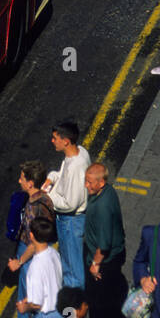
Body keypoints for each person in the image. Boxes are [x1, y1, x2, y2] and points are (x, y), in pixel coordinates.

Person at [6, 160, 56, 318]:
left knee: (26, 296)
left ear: (30, 183)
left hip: (29, 252)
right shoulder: (45, 198)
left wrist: (19, 262)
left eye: (22, 178)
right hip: (44, 248)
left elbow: (33, 244)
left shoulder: (32, 209)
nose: (19, 181)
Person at [43, 121, 89, 288]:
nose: (52, 141)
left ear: (66, 141)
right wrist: (53, 177)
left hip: (70, 222)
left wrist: (47, 197)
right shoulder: (78, 153)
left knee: (71, 270)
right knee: (70, 262)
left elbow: (70, 203)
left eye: (55, 138)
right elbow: (63, 176)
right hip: (68, 221)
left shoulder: (76, 167)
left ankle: (73, 310)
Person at [83, 163, 126, 318]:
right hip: (116, 254)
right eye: (86, 181)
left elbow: (104, 244)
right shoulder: (108, 191)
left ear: (101, 183)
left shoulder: (102, 208)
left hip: (104, 262)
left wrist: (95, 264)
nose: (86, 185)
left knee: (98, 302)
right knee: (110, 295)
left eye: (89, 182)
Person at [15, 214, 64, 318]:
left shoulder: (35, 267)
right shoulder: (54, 253)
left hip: (46, 317)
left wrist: (24, 308)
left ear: (31, 236)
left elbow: (37, 304)